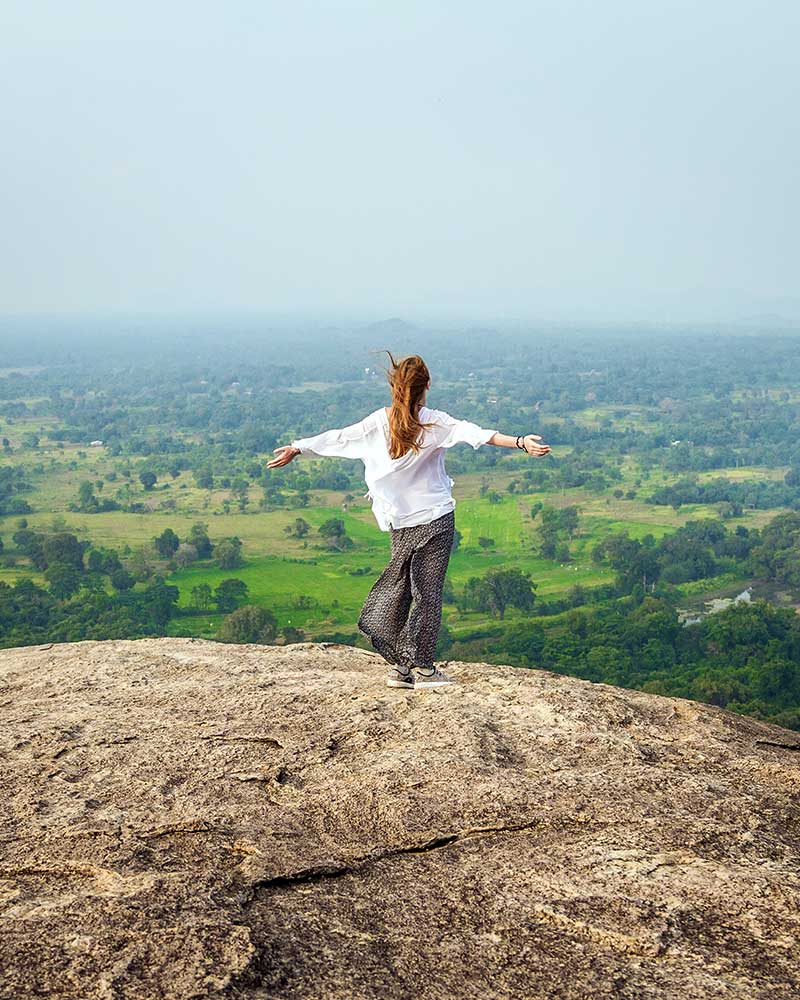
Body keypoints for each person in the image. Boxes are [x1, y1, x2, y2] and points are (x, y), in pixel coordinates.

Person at [267, 352, 551, 690]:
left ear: (395, 386)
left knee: (401, 588)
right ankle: (425, 670)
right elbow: (478, 434)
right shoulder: (434, 421)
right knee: (427, 594)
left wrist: (298, 447)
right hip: (435, 519)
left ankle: (401, 669)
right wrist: (521, 443)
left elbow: (340, 438)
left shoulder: (379, 421)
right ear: (427, 385)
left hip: (400, 522)